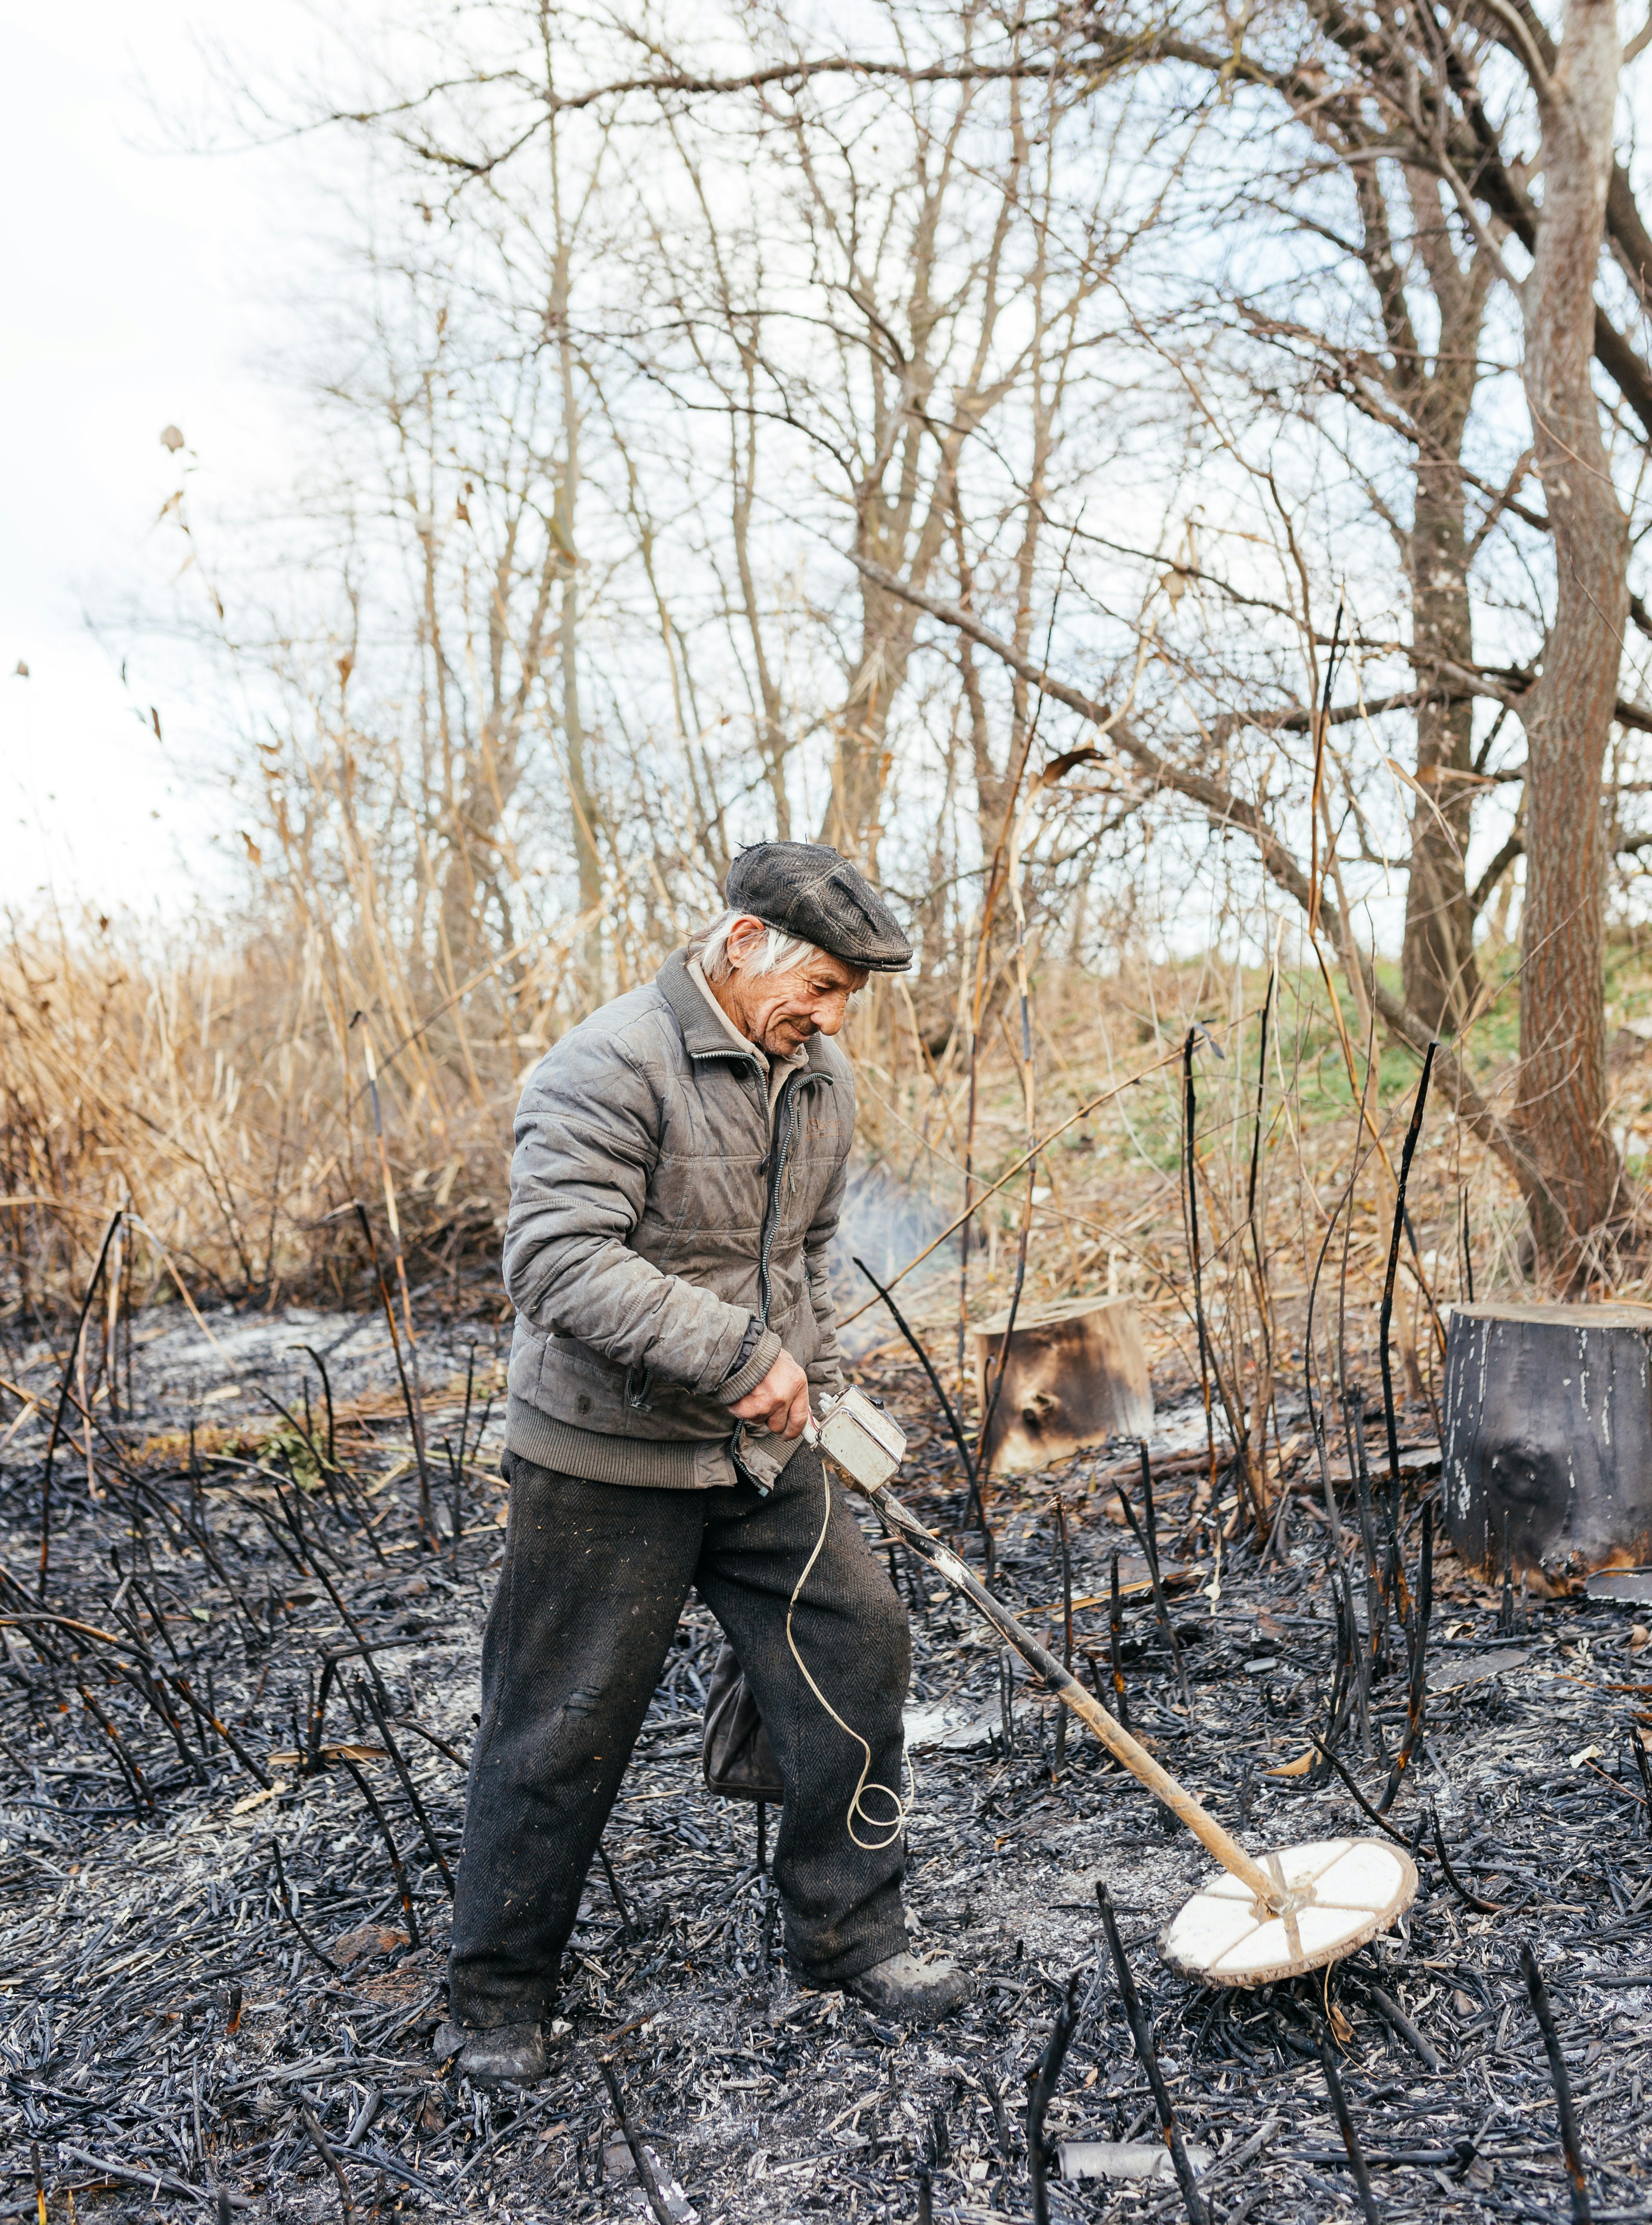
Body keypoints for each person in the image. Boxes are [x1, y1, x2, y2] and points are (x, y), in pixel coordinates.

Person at [437, 841, 970, 2085]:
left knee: (858, 1640)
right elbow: (556, 1262)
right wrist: (740, 1353)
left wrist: (815, 1382)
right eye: (822, 987)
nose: (832, 1019)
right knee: (560, 1722)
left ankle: (847, 1931)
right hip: (604, 1456)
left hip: (756, 1448)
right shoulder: (605, 1064)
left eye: (848, 997)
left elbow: (813, 1254)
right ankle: (499, 2000)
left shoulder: (816, 1077)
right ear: (742, 944)